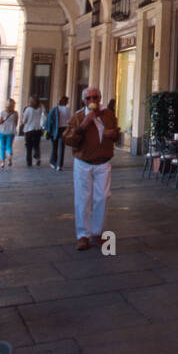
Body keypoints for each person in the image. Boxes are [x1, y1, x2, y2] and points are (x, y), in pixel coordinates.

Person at [62, 86, 120, 251]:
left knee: (103, 197)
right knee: (83, 199)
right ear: (84, 101)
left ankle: (98, 231)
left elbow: (116, 133)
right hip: (83, 163)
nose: (92, 101)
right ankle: (83, 235)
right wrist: (83, 126)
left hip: (103, 162)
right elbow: (68, 139)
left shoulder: (108, 115)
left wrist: (113, 134)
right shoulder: (78, 117)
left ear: (99, 98)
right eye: (89, 98)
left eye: (95, 97)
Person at [46, 95, 71, 170]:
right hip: (64, 129)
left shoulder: (55, 109)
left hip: (55, 129)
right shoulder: (67, 110)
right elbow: (69, 120)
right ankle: (60, 164)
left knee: (54, 146)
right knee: (61, 147)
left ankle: (53, 162)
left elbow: (49, 119)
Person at [21, 97, 45, 167]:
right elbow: (43, 113)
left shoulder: (28, 109)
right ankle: (37, 158)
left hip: (29, 130)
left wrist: (22, 122)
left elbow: (24, 120)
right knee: (36, 146)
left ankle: (29, 162)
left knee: (29, 148)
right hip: (37, 130)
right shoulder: (40, 109)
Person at [0, 99, 18, 169]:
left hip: (2, 131)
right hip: (11, 132)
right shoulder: (15, 113)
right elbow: (16, 123)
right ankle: (10, 157)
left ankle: (2, 162)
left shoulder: (3, 112)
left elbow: (0, 122)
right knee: (9, 146)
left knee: (2, 146)